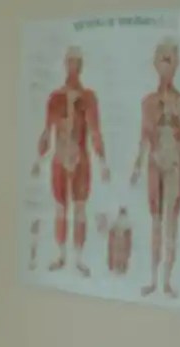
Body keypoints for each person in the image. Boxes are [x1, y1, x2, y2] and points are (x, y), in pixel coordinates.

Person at [130, 39, 180, 299]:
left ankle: (167, 281)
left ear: (176, 65)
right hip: (154, 164)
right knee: (156, 222)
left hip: (173, 166)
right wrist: (137, 166)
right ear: (154, 63)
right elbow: (144, 137)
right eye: (161, 59)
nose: (165, 64)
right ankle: (152, 279)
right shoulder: (148, 102)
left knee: (171, 223)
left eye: (169, 60)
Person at [32, 46, 110, 277]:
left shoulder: (88, 98)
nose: (73, 67)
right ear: (65, 64)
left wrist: (102, 162)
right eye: (70, 62)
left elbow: (95, 132)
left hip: (80, 158)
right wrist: (38, 159)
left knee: (79, 208)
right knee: (60, 208)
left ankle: (77, 258)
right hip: (59, 157)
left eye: (77, 62)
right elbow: (47, 132)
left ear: (81, 66)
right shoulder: (55, 98)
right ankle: (61, 255)